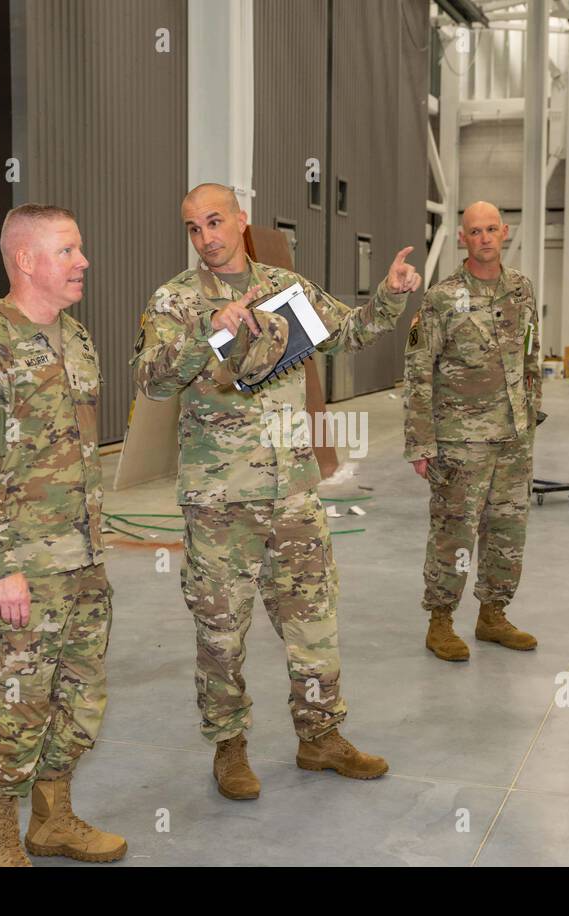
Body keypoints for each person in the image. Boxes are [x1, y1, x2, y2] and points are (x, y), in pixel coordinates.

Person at [131, 183, 420, 800]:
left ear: (241, 220)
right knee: (221, 633)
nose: (206, 237)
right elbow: (153, 382)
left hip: (292, 494)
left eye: (215, 222)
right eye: (193, 228)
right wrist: (210, 331)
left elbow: (349, 332)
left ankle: (320, 736)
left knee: (313, 621)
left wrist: (390, 297)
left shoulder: (285, 290)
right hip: (219, 503)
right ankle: (229, 748)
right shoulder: (176, 301)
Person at [0, 203, 126, 866]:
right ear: (26, 260)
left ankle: (53, 822)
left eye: (80, 250)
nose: (83, 263)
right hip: (22, 569)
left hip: (83, 560)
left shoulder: (76, 340)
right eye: (68, 251)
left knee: (78, 697)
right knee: (11, 704)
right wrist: (1, 567)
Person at [402, 201, 543, 663]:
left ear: (504, 233)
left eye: (491, 230)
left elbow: (530, 355)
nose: (483, 238)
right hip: (459, 440)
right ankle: (439, 622)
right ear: (462, 238)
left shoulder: (521, 289)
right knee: (453, 533)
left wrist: (531, 414)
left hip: (513, 437)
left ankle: (493, 614)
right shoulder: (443, 298)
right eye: (474, 231)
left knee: (507, 529)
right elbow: (419, 371)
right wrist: (422, 443)